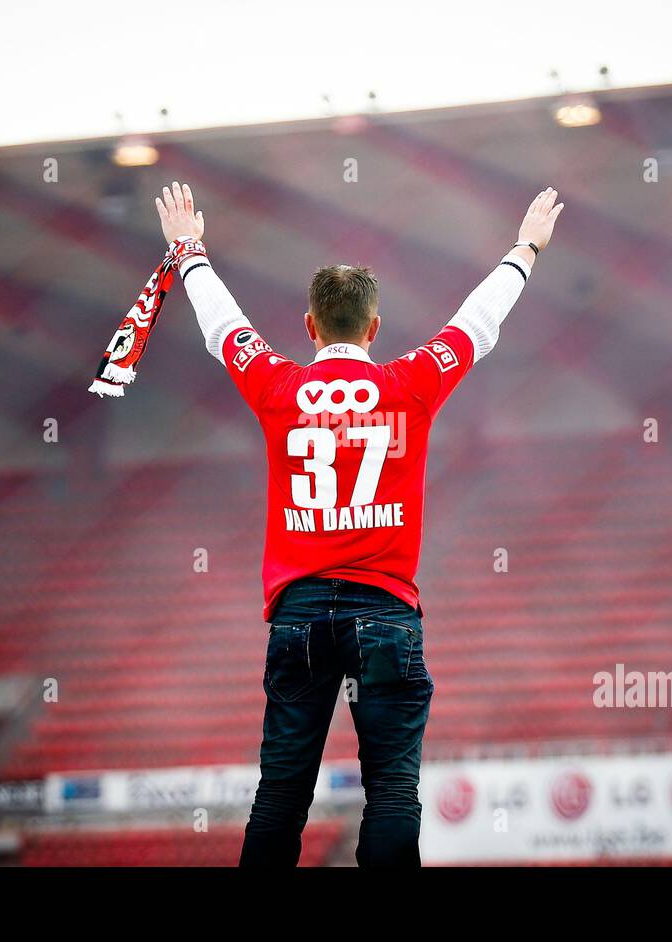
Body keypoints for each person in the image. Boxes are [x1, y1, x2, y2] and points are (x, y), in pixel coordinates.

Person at [154, 181, 563, 866]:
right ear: (373, 328)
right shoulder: (409, 382)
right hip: (386, 612)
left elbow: (223, 328)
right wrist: (524, 248)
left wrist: (189, 251)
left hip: (299, 615)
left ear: (310, 327)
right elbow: (476, 323)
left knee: (280, 797)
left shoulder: (280, 387)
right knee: (395, 793)